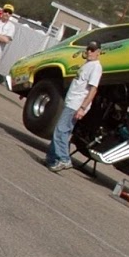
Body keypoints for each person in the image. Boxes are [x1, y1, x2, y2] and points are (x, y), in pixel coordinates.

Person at [44, 42, 102, 170]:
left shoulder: (96, 67)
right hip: (71, 102)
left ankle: (64, 159)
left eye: (93, 50)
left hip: (76, 104)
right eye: (88, 49)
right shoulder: (87, 65)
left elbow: (93, 90)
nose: (90, 52)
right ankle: (51, 158)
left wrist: (82, 108)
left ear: (98, 52)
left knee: (61, 131)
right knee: (62, 131)